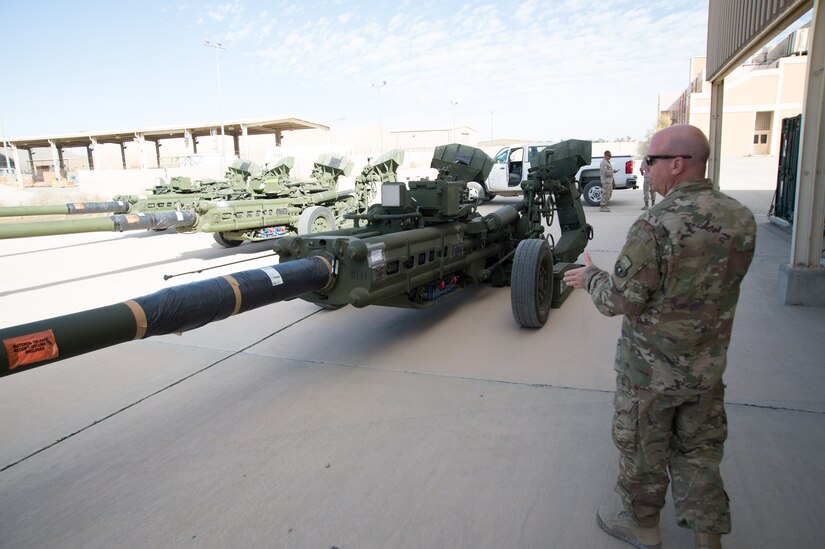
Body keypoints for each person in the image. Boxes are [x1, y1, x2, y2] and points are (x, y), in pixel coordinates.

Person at [563, 124, 757, 549]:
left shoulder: (655, 224)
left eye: (651, 161)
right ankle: (708, 539)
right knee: (700, 452)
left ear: (677, 164)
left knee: (644, 450)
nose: (646, 169)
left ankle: (642, 525)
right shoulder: (740, 218)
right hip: (706, 368)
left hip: (650, 373)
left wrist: (591, 277)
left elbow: (623, 300)